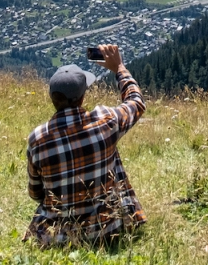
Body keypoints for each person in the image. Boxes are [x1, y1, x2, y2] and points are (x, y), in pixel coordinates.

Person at [25, 44, 146, 247]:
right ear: (82, 98)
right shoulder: (106, 121)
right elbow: (136, 102)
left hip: (57, 237)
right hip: (109, 229)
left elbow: (35, 193)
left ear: (52, 98)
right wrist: (120, 68)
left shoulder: (37, 139)